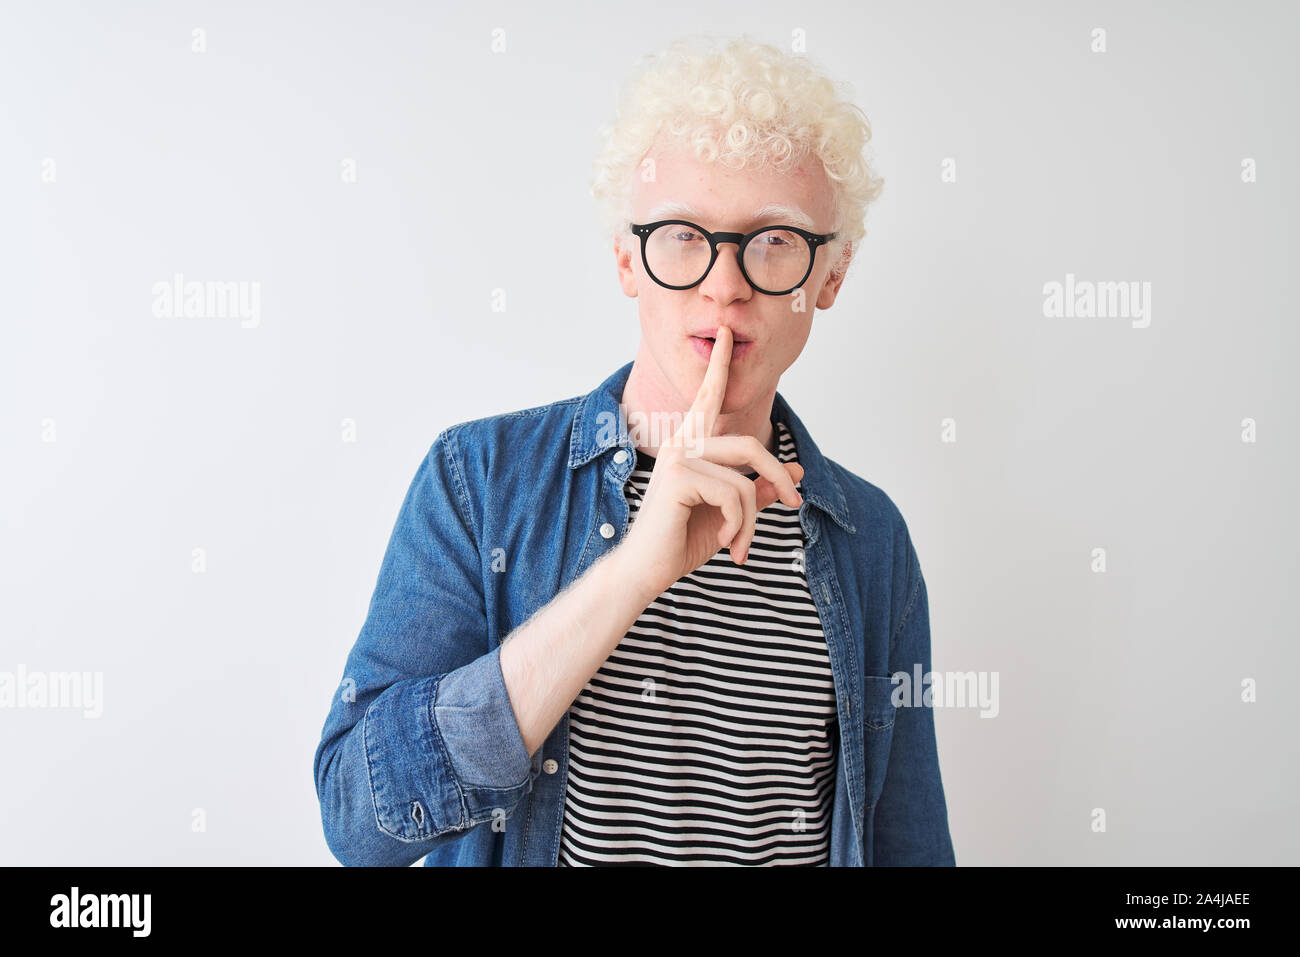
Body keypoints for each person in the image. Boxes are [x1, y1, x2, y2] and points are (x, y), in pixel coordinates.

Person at [313, 33, 955, 867]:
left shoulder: (872, 542)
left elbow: (909, 846)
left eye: (775, 242)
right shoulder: (479, 481)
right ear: (627, 258)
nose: (724, 284)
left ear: (829, 276)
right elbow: (358, 820)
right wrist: (630, 574)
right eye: (684, 236)